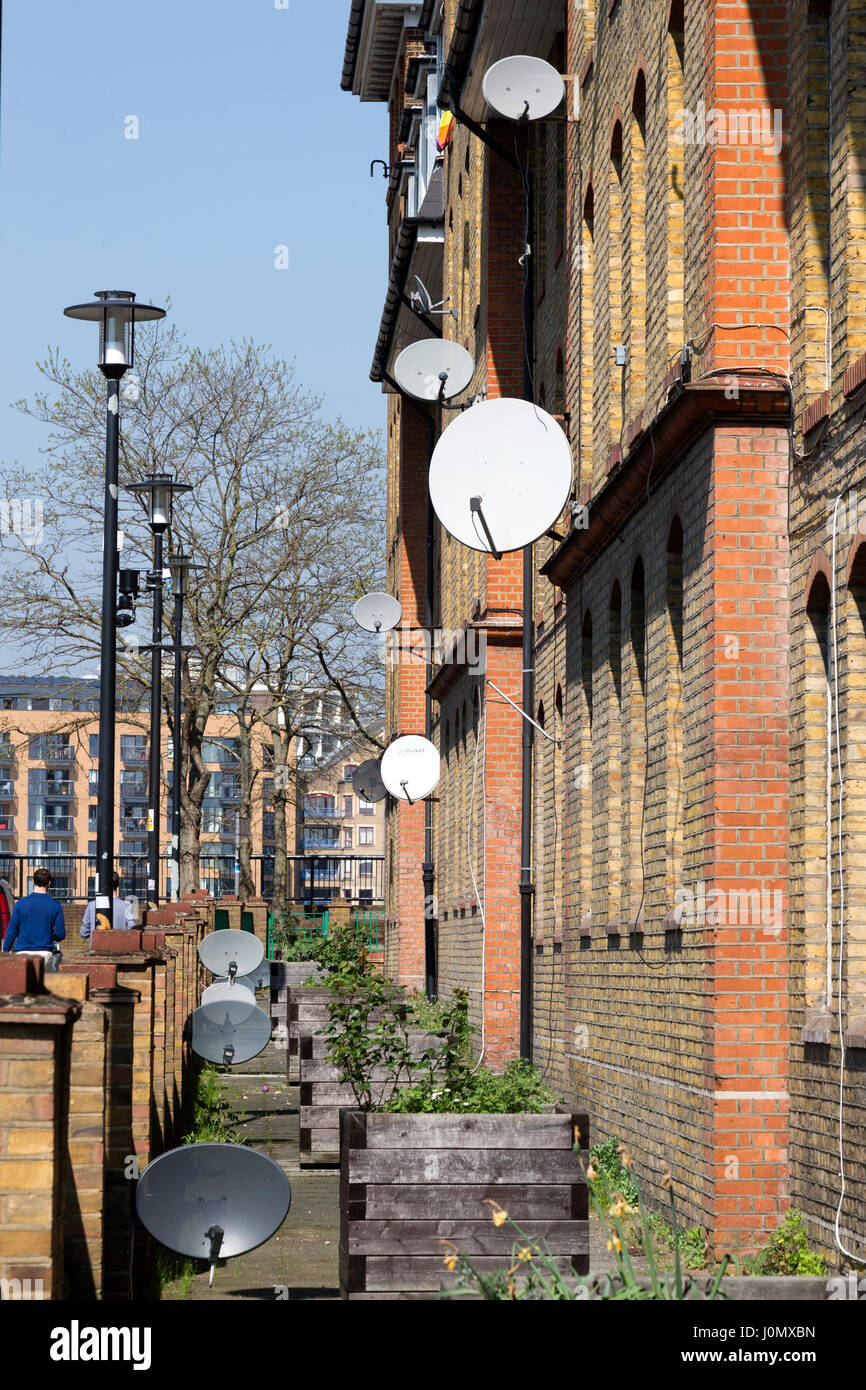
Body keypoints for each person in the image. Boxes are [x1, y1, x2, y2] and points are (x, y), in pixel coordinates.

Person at [2, 867, 66, 969]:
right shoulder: (56, 906)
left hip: (22, 953)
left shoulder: (20, 904)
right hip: (44, 953)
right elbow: (61, 934)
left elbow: (11, 931)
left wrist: (5, 951)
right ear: (49, 883)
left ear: (33, 881)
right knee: (44, 983)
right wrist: (51, 934)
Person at [80, 873, 137, 940]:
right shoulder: (127, 906)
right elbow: (132, 927)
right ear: (118, 884)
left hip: (96, 947)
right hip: (118, 946)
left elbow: (83, 933)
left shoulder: (91, 905)